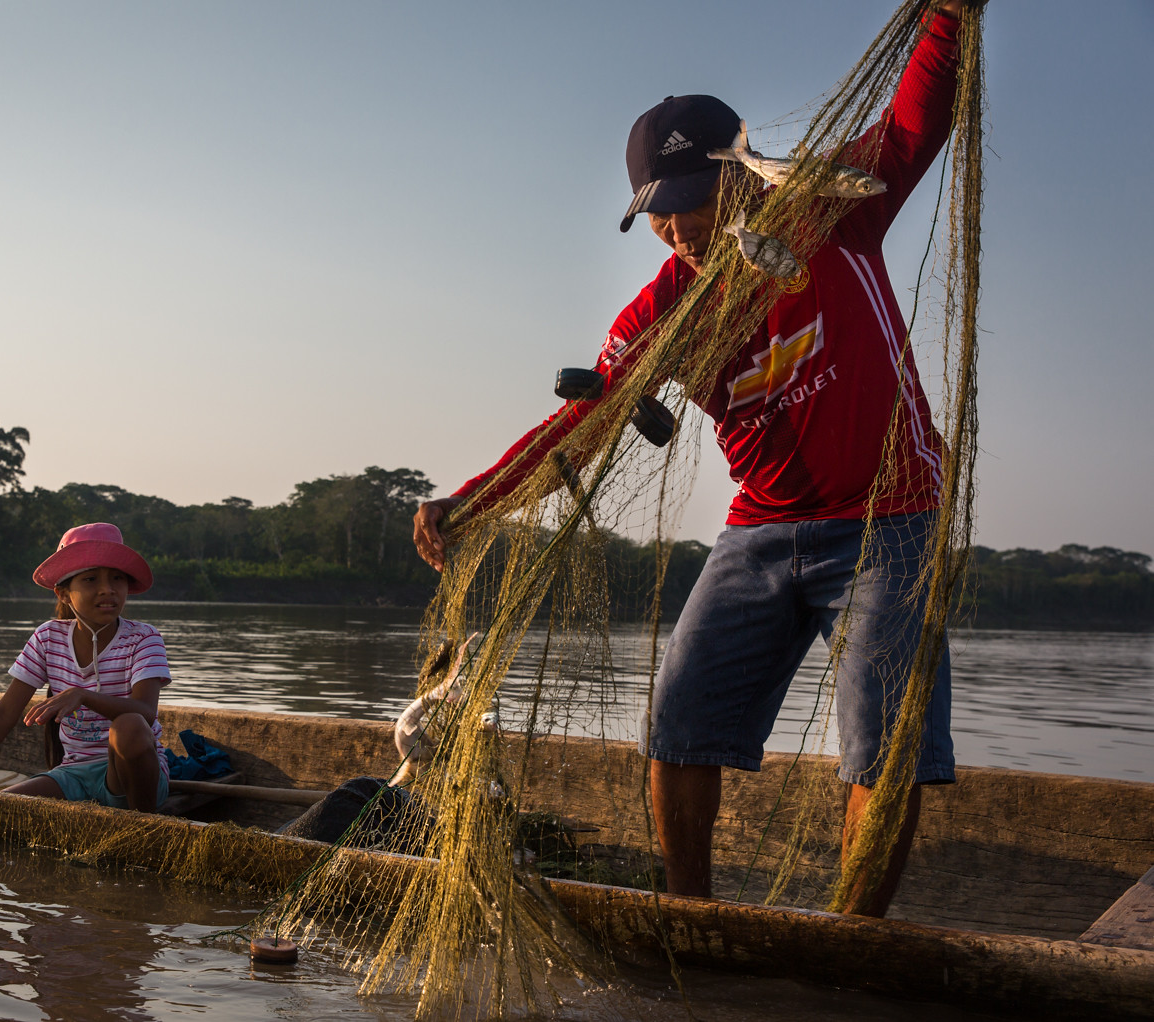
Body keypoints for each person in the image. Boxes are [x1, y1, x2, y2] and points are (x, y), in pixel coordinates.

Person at [413, 3, 980, 916]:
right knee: (676, 727)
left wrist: (949, 16)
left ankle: (849, 939)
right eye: (657, 215)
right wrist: (472, 499)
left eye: (688, 205)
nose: (675, 231)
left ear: (740, 177)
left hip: (889, 518)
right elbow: (583, 424)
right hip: (761, 528)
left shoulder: (833, 213)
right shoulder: (661, 313)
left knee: (885, 743)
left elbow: (919, 117)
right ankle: (692, 918)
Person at [0, 523, 171, 812]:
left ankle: (144, 825)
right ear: (64, 594)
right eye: (90, 580)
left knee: (129, 726)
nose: (107, 590)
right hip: (73, 774)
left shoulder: (143, 638)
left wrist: (82, 695)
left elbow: (146, 713)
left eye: (117, 578)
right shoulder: (49, 637)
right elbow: (5, 712)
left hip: (133, 778)